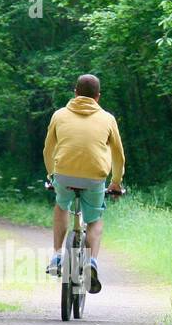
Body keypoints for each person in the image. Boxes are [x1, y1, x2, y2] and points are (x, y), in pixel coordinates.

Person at [41, 74, 126, 293]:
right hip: (95, 177)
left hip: (64, 175)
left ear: (75, 93)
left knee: (62, 206)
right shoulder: (108, 119)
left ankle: (58, 255)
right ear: (98, 97)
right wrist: (116, 182)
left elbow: (48, 149)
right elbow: (118, 155)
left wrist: (52, 175)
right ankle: (92, 262)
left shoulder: (59, 115)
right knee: (95, 219)